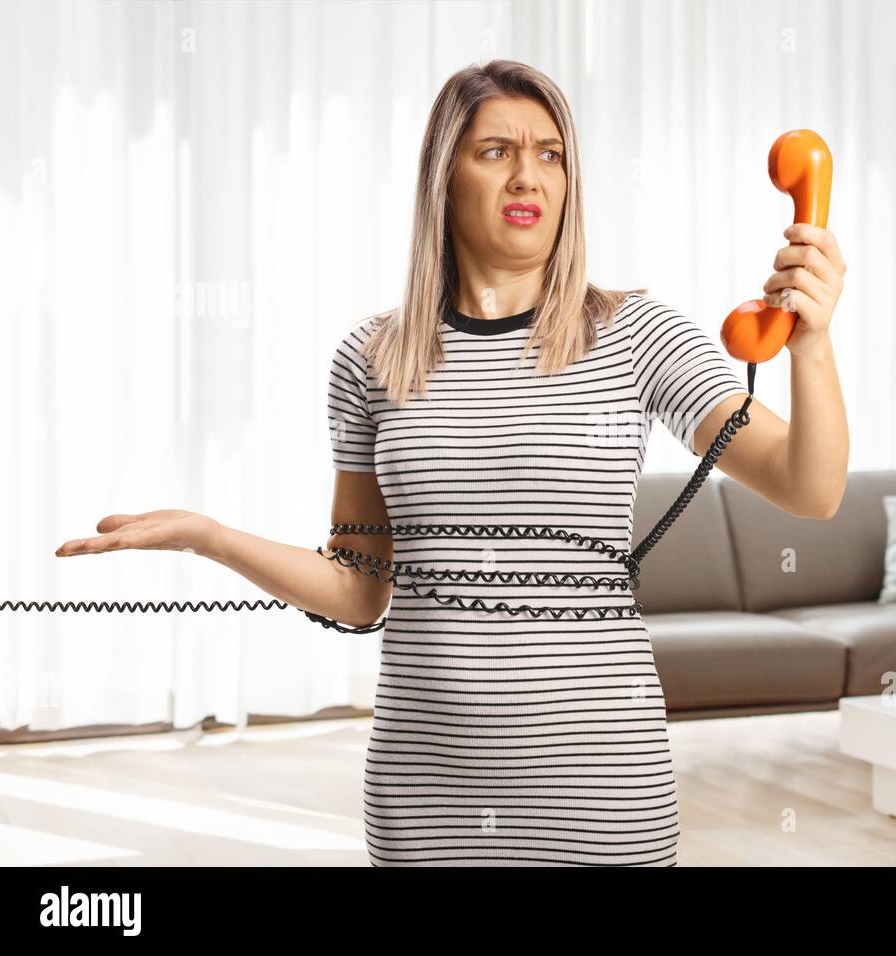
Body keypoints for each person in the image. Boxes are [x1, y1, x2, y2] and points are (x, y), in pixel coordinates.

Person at [55, 59, 849, 866]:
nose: (527, 174)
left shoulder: (637, 334)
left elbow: (809, 488)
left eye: (550, 153)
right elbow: (361, 590)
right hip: (426, 789)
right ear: (444, 175)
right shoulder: (372, 358)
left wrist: (811, 343)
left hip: (600, 784)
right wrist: (211, 537)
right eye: (495, 150)